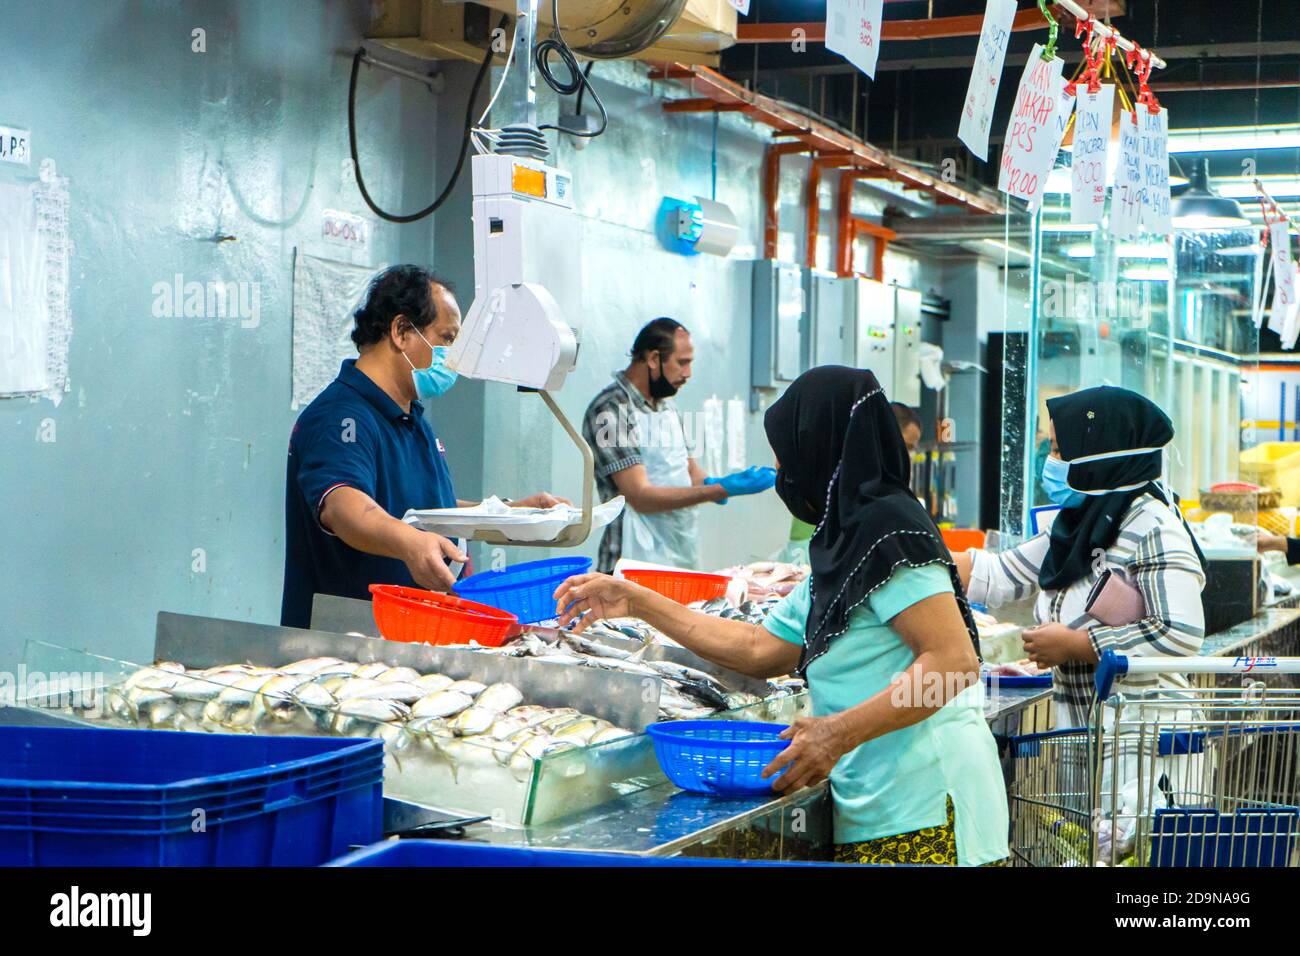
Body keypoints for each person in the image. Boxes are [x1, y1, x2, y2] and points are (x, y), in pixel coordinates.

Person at [557, 366, 1009, 866]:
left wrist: (839, 732)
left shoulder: (890, 529)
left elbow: (951, 665)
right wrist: (638, 600)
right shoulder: (846, 540)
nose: (781, 471)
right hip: (882, 806)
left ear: (819, 447)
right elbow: (759, 649)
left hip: (928, 810)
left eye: (785, 454)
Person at [281, 265, 566, 628]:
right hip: (350, 638)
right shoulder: (340, 418)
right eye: (447, 339)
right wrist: (410, 544)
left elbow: (420, 510)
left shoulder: (410, 417)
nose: (454, 358)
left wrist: (507, 512)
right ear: (401, 332)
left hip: (413, 632)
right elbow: (343, 507)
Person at [954, 386, 1206, 729]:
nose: (1051, 462)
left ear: (1102, 453)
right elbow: (1000, 575)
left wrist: (1078, 644)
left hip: (1145, 739)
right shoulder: (1077, 524)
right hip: (1087, 733)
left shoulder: (1152, 525)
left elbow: (1180, 631)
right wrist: (913, 555)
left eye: (1060, 450)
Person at [581, 317, 775, 573]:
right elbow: (640, 497)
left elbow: (691, 473)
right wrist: (719, 490)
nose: (688, 373)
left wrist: (717, 482)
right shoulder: (610, 410)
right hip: (631, 560)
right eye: (682, 363)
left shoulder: (666, 406)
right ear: (652, 359)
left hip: (678, 553)